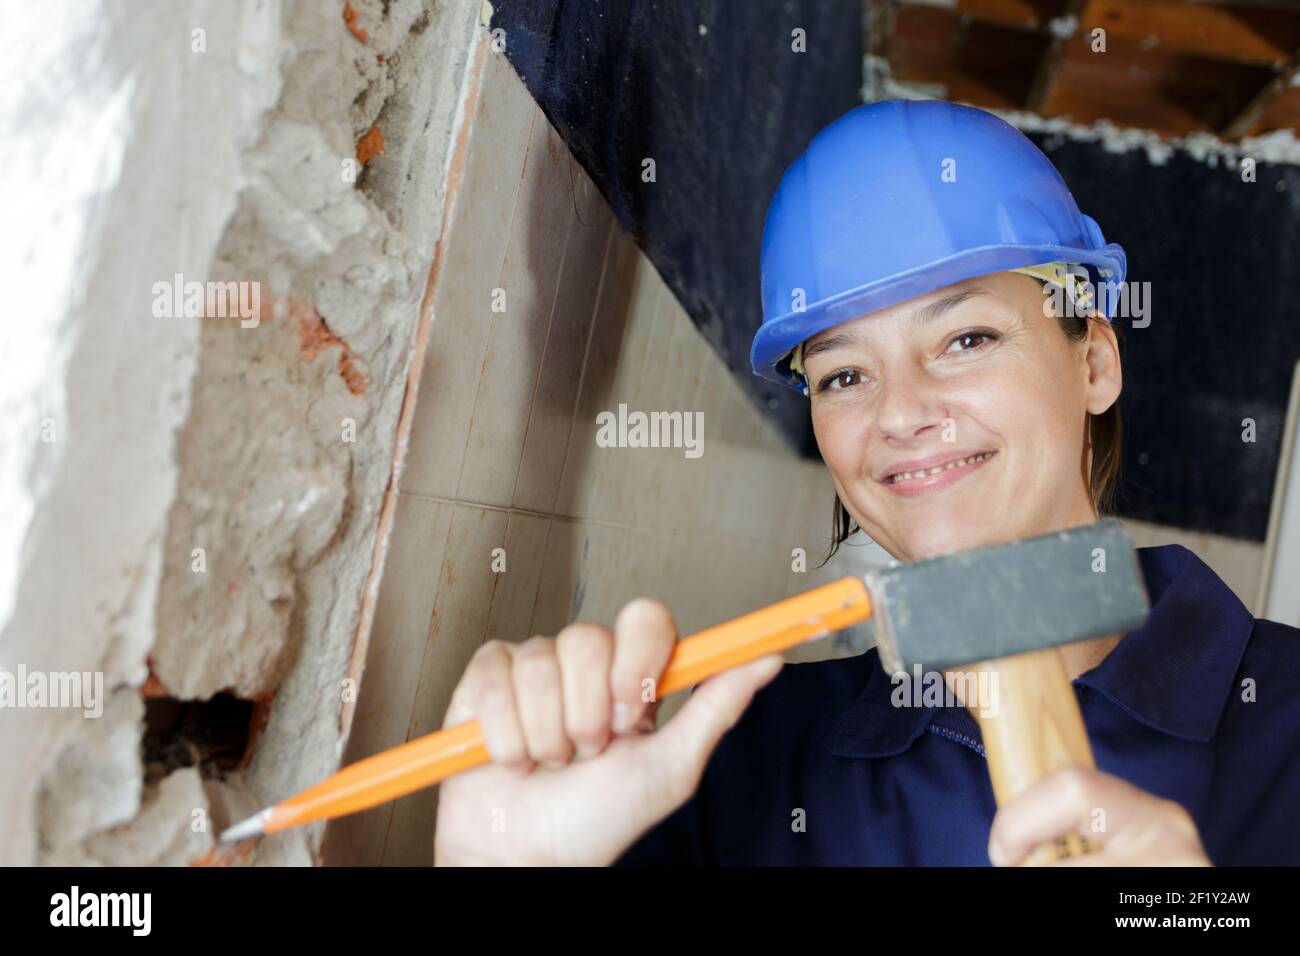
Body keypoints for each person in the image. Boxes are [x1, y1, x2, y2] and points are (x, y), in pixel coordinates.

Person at [431, 100, 1300, 867]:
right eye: (845, 376)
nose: (902, 413)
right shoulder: (751, 760)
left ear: (1097, 362)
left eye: (967, 339)